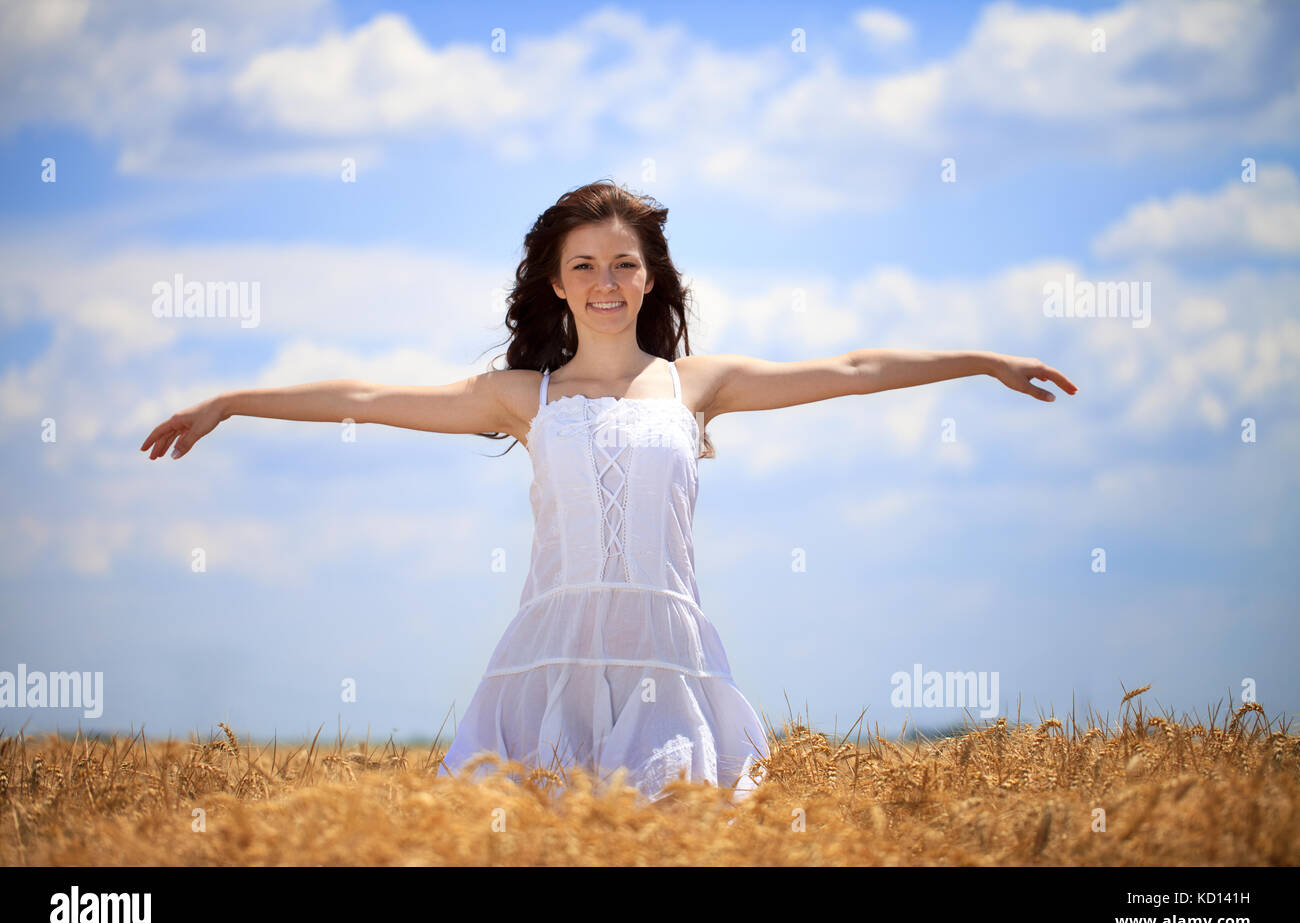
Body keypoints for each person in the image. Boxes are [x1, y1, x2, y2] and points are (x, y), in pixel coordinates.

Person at [140, 179, 1078, 804]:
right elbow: (363, 397)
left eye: (624, 263)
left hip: (667, 669)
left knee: (673, 834)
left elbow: (857, 365)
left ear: (651, 278)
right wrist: (232, 401)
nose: (605, 281)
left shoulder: (695, 385)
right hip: (546, 667)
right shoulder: (521, 398)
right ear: (554, 284)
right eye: (583, 264)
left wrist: (982, 360)